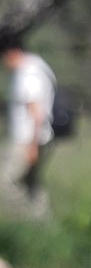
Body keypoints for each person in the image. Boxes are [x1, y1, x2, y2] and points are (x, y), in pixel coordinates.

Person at [0, 38, 55, 219]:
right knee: (32, 185)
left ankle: (29, 219)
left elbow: (36, 110)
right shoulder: (36, 66)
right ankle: (42, 225)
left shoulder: (27, 73)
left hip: (27, 139)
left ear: (12, 53)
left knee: (5, 183)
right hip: (36, 137)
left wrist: (31, 145)